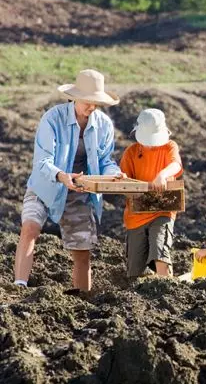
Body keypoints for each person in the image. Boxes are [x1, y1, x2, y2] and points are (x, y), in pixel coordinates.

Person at [13, 69, 124, 292]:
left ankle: (83, 298)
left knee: (83, 249)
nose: (92, 107)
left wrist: (115, 173)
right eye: (88, 101)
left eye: (96, 103)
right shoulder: (53, 119)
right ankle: (19, 286)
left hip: (80, 189)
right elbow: (43, 161)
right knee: (30, 229)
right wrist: (62, 176)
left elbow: (105, 159)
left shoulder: (103, 125)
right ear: (74, 97)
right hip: (47, 185)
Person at [120, 109, 183, 278]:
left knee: (160, 253)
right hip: (136, 215)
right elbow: (124, 183)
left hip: (163, 209)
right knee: (134, 271)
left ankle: (168, 290)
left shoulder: (169, 146)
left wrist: (162, 175)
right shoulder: (131, 153)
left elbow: (176, 165)